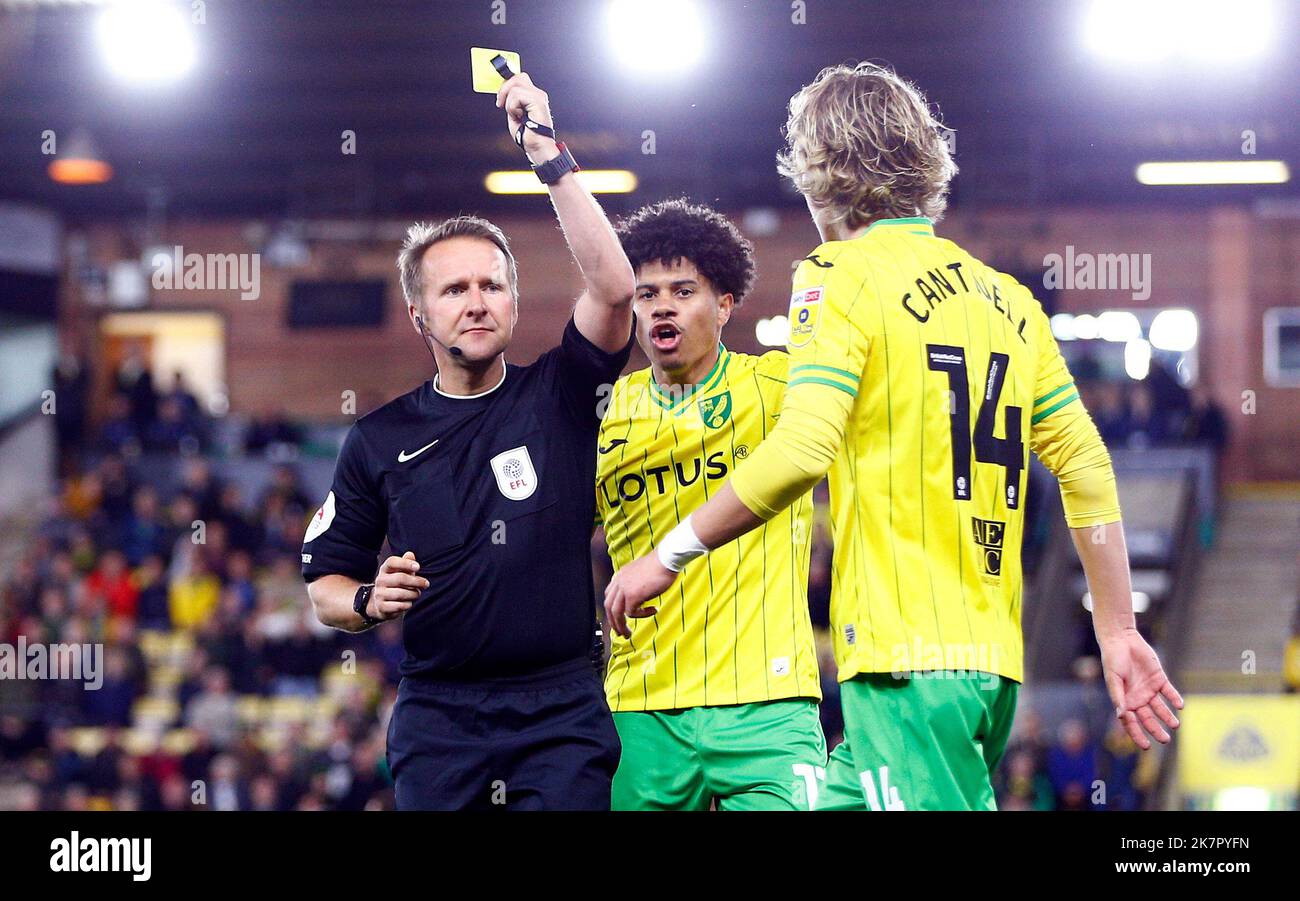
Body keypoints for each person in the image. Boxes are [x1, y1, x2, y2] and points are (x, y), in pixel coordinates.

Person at [605, 62, 1183, 810]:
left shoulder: (838, 275)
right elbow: (1084, 461)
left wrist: (669, 553)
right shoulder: (1008, 300)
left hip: (905, 661)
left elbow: (803, 450)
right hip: (985, 662)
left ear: (819, 172)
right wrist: (1116, 628)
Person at [303, 71, 635, 810]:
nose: (476, 302)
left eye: (492, 285)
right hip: (440, 718)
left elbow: (615, 289)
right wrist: (365, 596)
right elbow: (324, 585)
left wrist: (546, 152)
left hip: (562, 710)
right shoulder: (377, 438)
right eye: (454, 290)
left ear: (516, 301)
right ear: (420, 315)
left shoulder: (562, 394)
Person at [597, 199, 825, 810]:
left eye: (683, 289)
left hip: (769, 703)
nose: (662, 305)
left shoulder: (779, 388)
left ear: (725, 304)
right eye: (646, 295)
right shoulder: (601, 414)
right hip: (641, 709)